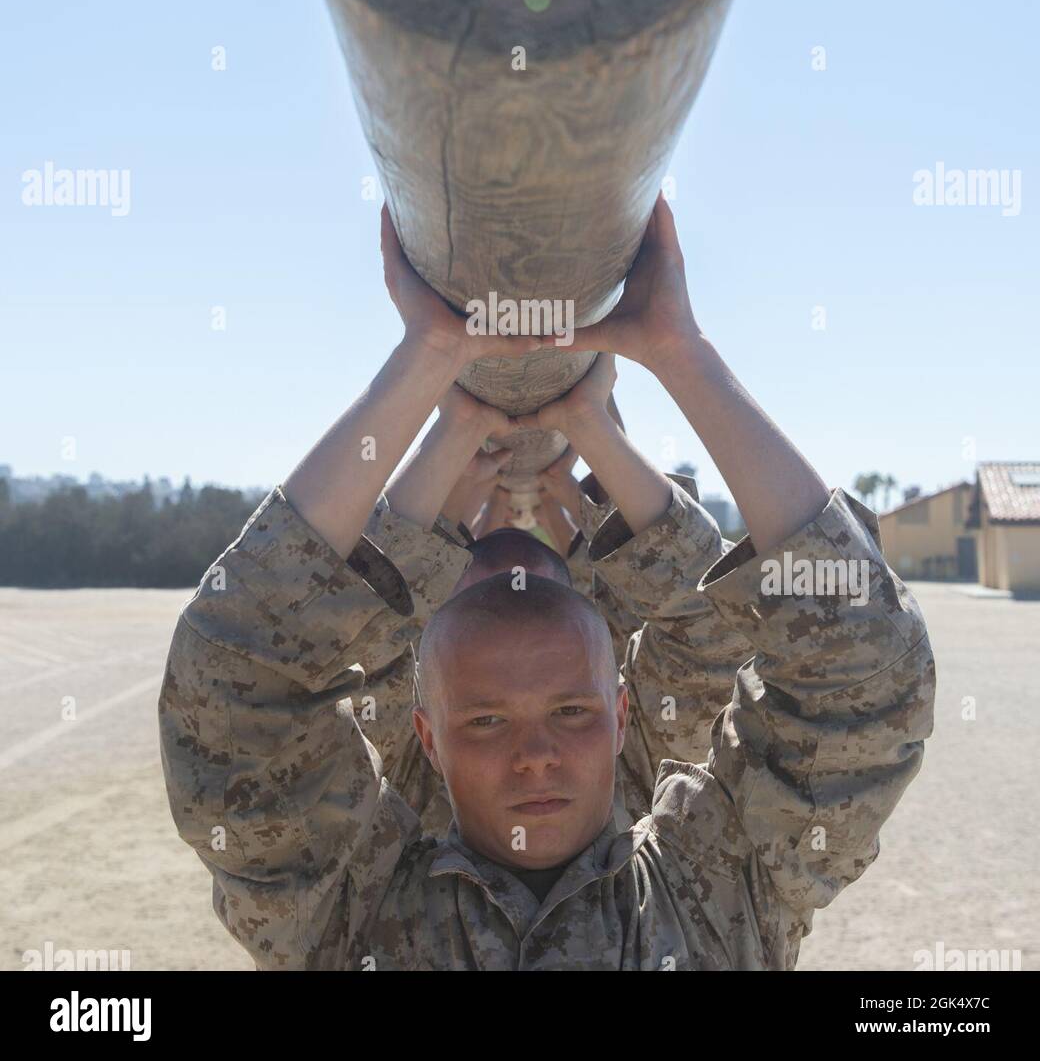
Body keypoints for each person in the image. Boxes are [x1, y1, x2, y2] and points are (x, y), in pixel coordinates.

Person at [158, 197, 935, 970]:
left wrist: (674, 358)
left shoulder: (715, 892)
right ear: (425, 737)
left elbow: (845, 669)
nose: (536, 755)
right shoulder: (346, 913)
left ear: (623, 713)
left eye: (571, 710)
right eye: (486, 722)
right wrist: (437, 372)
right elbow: (237, 679)